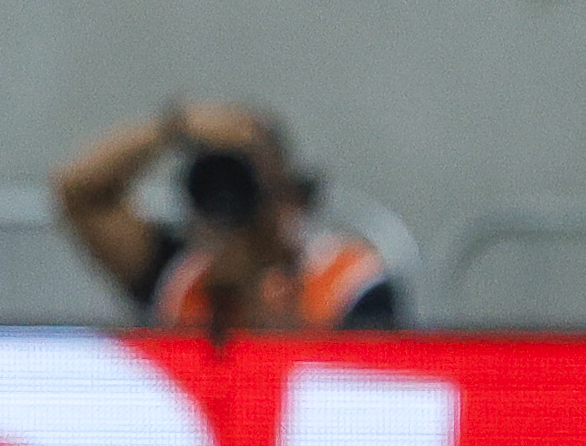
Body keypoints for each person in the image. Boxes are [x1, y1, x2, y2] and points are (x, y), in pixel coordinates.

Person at [56, 103, 403, 330]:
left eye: (245, 186)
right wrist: (173, 129)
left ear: (289, 198)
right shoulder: (182, 277)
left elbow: (373, 392)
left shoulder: (345, 281)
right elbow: (80, 193)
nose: (227, 206)